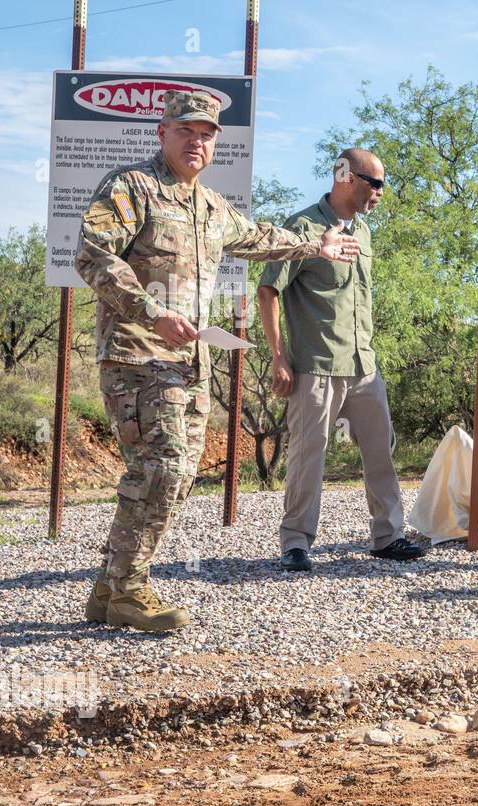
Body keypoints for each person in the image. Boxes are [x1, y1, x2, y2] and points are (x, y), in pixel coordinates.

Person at [77, 91, 361, 631]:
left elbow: (258, 237)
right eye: (187, 131)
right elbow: (91, 255)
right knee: (161, 466)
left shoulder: (210, 206)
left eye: (207, 134)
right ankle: (130, 590)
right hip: (138, 354)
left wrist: (315, 247)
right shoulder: (132, 187)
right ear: (163, 133)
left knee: (178, 476)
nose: (197, 141)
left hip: (193, 362)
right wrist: (151, 310)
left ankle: (109, 588)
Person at [258, 148, 426, 571]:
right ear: (346, 177)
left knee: (381, 452)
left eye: (383, 184)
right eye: (375, 183)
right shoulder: (303, 228)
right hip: (315, 365)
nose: (381, 193)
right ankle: (296, 543)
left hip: (363, 367)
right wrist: (280, 357)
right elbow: (268, 291)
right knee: (308, 456)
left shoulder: (364, 233)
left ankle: (389, 536)